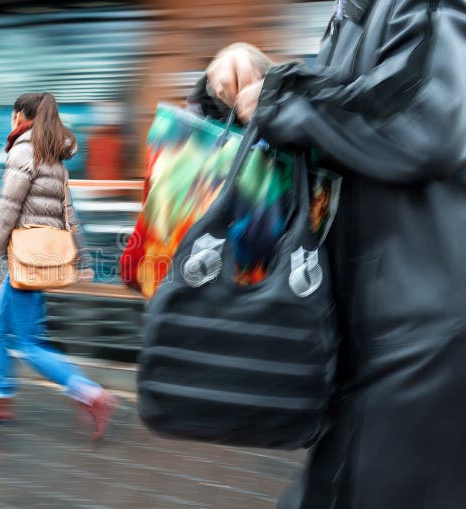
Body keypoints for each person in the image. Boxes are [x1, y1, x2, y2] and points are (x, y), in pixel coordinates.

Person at [192, 1, 466, 507]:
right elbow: (355, 119)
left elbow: (427, 116)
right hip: (379, 325)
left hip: (421, 335)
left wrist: (281, 96)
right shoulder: (357, 12)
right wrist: (259, 81)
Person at [0, 92, 118, 441]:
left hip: (25, 262)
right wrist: (84, 259)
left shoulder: (23, 151)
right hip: (37, 259)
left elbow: (5, 213)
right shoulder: (53, 158)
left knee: (27, 342)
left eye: (13, 115)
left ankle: (91, 394)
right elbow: (69, 213)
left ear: (19, 117)